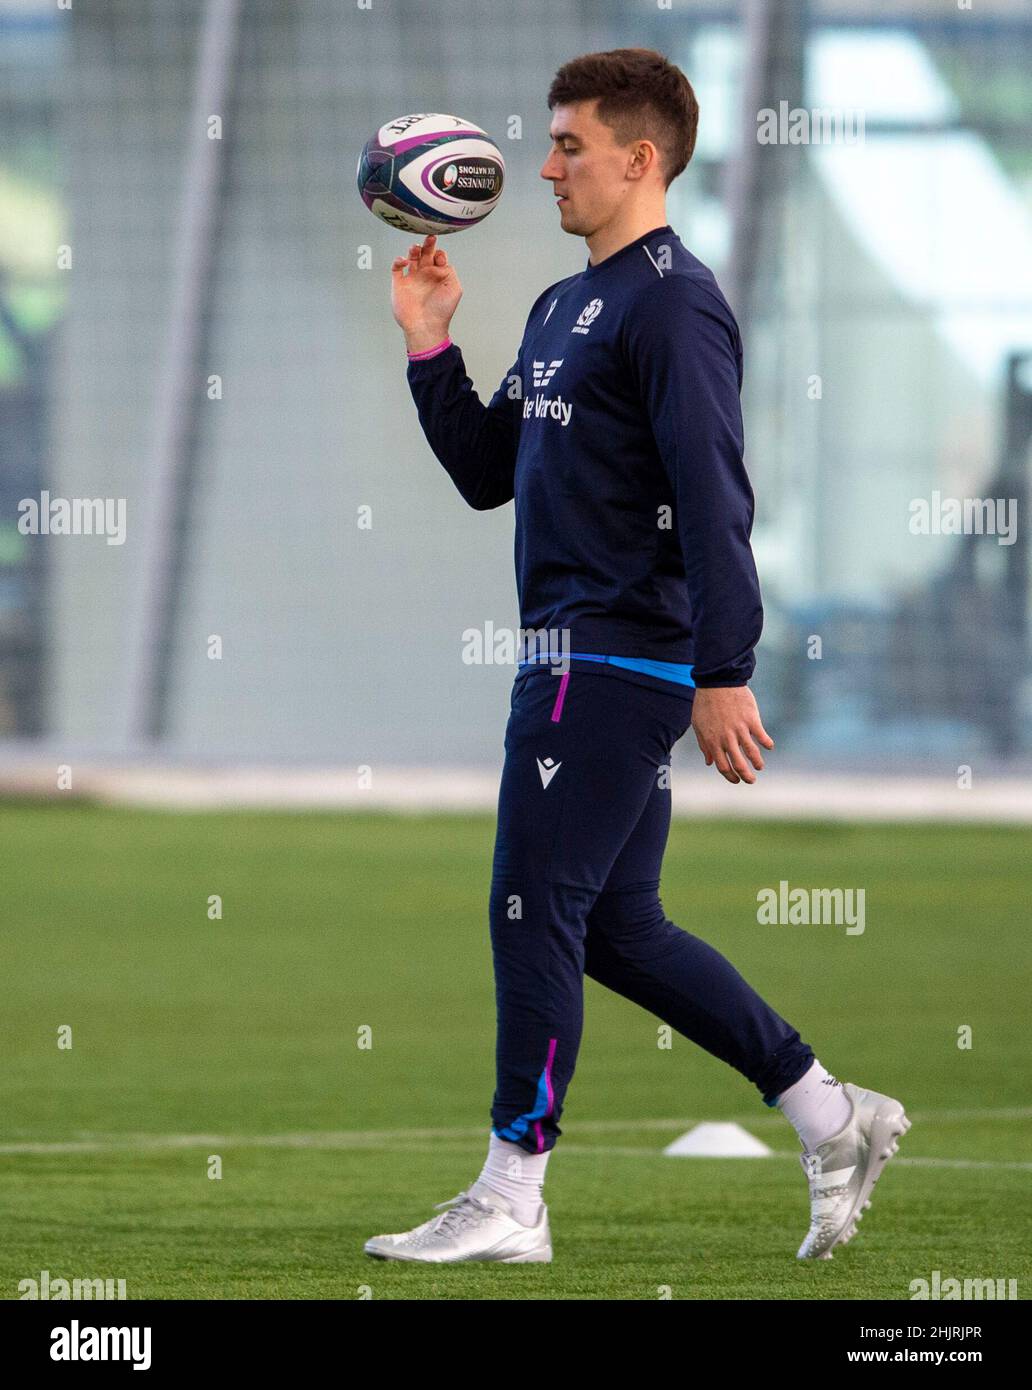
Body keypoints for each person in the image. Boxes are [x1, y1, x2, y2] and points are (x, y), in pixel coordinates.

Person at [366, 47, 908, 1265]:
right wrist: (429, 343)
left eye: (568, 144)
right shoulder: (567, 304)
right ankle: (835, 1116)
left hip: (610, 661)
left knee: (528, 906)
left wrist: (726, 666)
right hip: (568, 653)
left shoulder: (674, 300)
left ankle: (512, 1195)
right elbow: (487, 472)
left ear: (640, 157)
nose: (544, 165)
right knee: (615, 928)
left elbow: (715, 492)